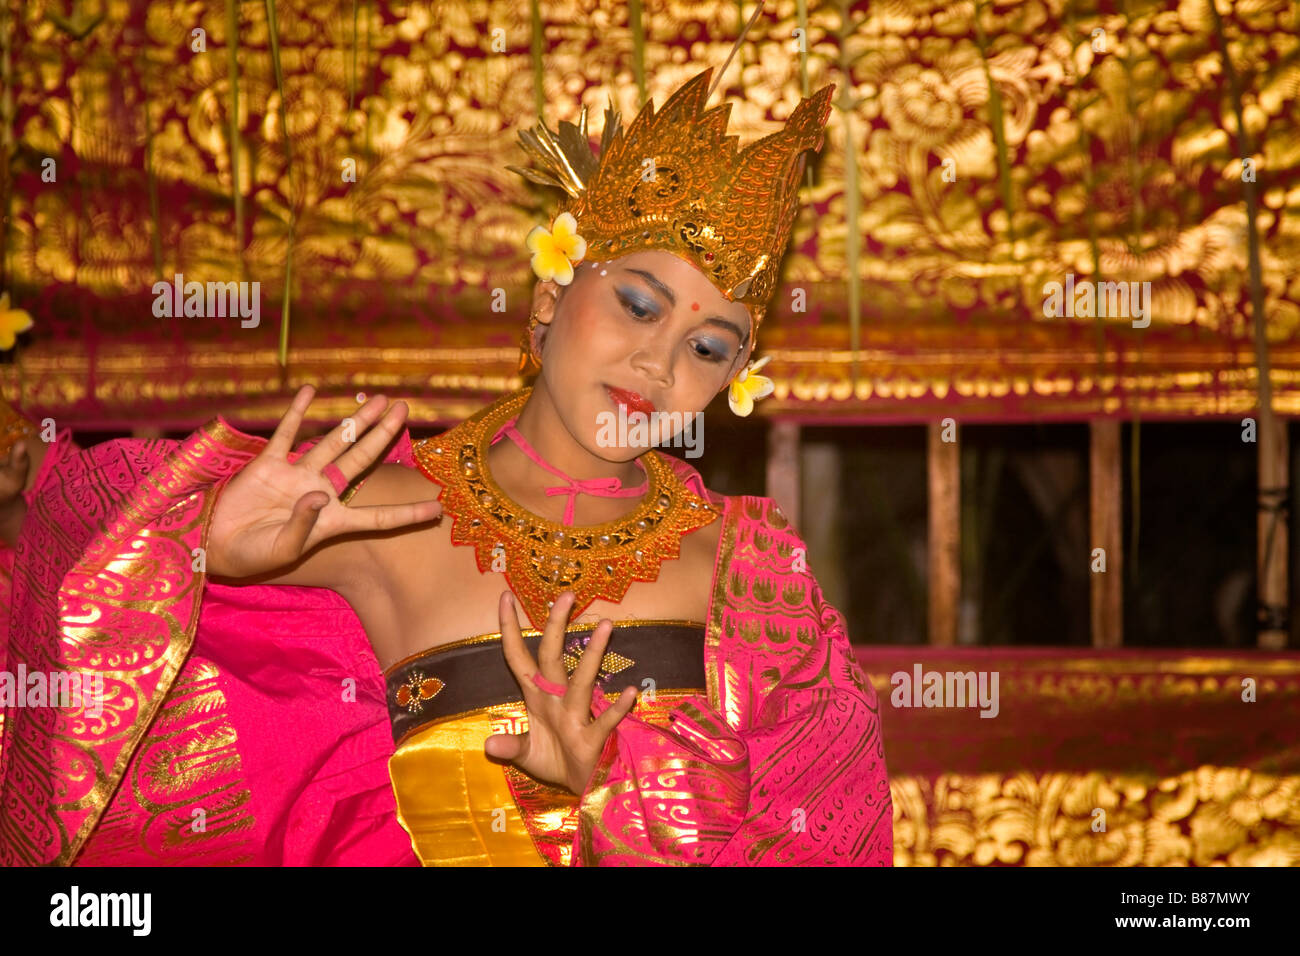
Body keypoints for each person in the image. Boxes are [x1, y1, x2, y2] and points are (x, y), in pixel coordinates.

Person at [0, 67, 892, 866]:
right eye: (635, 305)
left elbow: (830, 840)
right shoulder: (384, 513)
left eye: (706, 346)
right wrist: (191, 549)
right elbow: (54, 583)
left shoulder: (755, 582)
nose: (659, 365)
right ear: (550, 295)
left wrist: (592, 803)